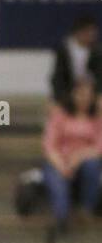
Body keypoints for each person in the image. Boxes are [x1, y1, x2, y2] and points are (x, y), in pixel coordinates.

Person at [41, 78, 102, 228]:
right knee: (56, 176)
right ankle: (61, 217)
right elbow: (49, 145)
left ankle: (86, 209)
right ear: (72, 95)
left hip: (86, 160)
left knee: (92, 165)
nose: (84, 99)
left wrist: (78, 157)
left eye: (88, 95)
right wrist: (62, 165)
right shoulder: (60, 115)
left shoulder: (97, 118)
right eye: (80, 94)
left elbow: (99, 147)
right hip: (59, 159)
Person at [51, 14, 102, 103]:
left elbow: (99, 75)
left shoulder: (97, 51)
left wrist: (93, 92)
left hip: (92, 92)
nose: (92, 37)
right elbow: (58, 77)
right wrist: (63, 95)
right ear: (79, 32)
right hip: (69, 92)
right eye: (89, 33)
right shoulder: (65, 50)